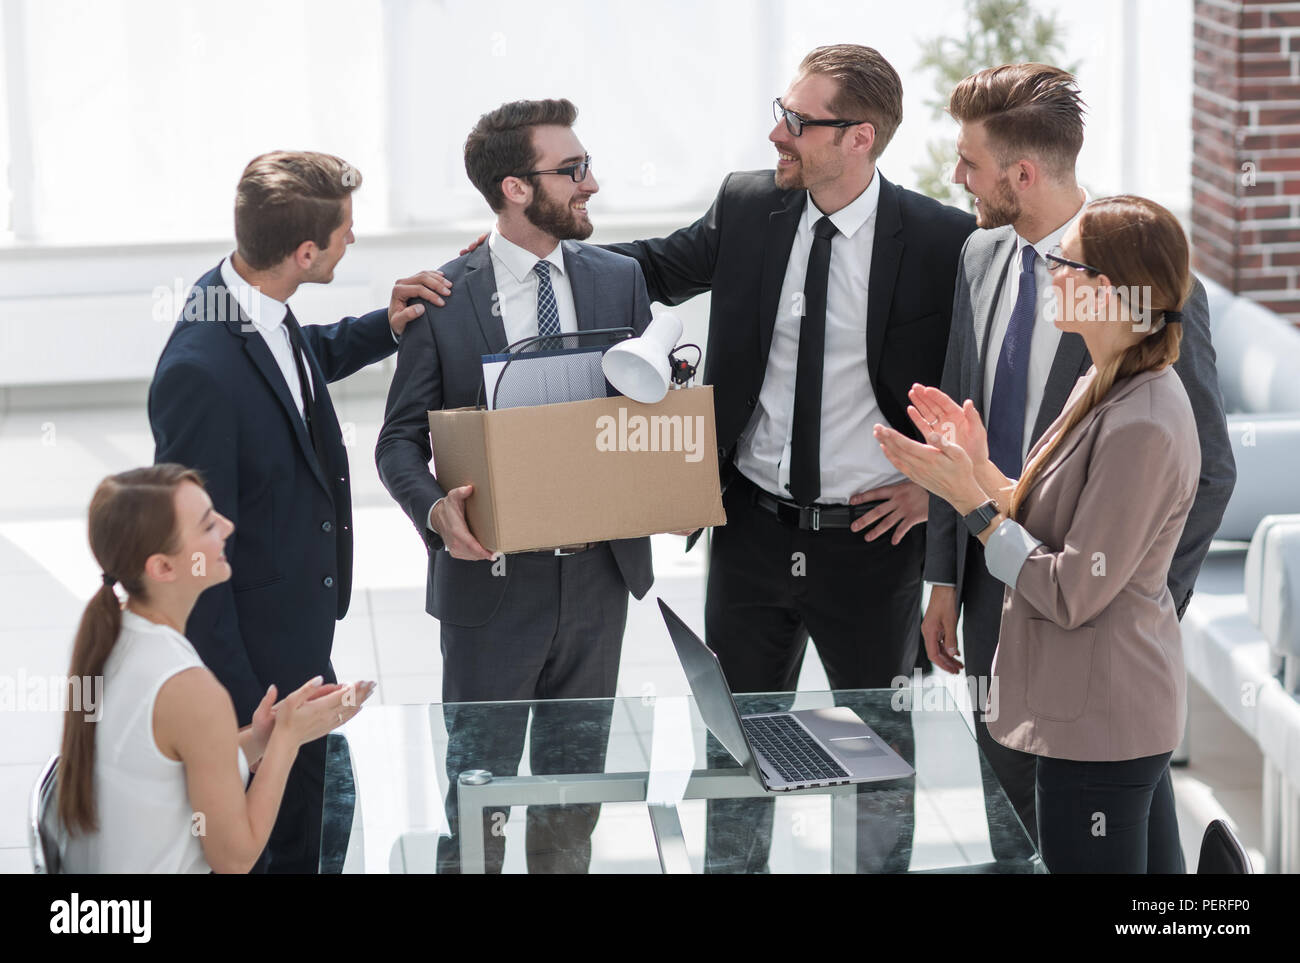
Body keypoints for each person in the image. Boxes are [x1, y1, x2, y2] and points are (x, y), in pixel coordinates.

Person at [601, 44, 976, 873]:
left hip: (874, 544)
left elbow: (985, 387)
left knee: (879, 758)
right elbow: (654, 267)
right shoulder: (748, 209)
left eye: (799, 122)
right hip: (752, 531)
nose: (779, 133)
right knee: (736, 750)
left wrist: (934, 492)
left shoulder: (944, 241)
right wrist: (513, 264)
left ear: (860, 138)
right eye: (783, 111)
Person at [924, 64, 1235, 852]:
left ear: (1020, 173)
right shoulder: (978, 257)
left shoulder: (1139, 279)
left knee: (1086, 839)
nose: (955, 176)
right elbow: (972, 437)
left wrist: (1134, 601)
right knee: (1017, 837)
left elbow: (1206, 472)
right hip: (1001, 606)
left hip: (1095, 649)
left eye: (968, 161)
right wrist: (944, 578)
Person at [877, 194, 1200, 873]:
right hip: (1095, 721)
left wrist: (973, 502)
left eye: (1064, 262)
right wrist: (980, 465)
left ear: (1104, 292)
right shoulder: (1105, 381)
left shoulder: (1141, 417)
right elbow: (1048, 514)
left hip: (1103, 729)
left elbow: (1071, 589)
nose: (1050, 272)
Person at [148, 150, 448, 873]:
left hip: (295, 632)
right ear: (305, 250)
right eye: (346, 230)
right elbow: (195, 557)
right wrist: (254, 711)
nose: (353, 241)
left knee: (315, 829)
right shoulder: (199, 371)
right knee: (281, 845)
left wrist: (387, 324)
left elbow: (298, 356)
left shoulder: (246, 297)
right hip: (257, 665)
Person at [375, 98, 653, 873]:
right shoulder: (443, 297)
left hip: (598, 580)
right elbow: (398, 439)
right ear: (516, 188)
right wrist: (434, 511)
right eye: (573, 170)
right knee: (478, 810)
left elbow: (632, 415)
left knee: (573, 810)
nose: (591, 184)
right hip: (491, 586)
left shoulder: (619, 281)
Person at [58, 465, 373, 874]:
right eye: (208, 525)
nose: (227, 526)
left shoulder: (115, 634)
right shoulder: (189, 688)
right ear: (163, 568)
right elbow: (234, 858)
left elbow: (168, 770)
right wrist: (288, 741)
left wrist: (262, 737)